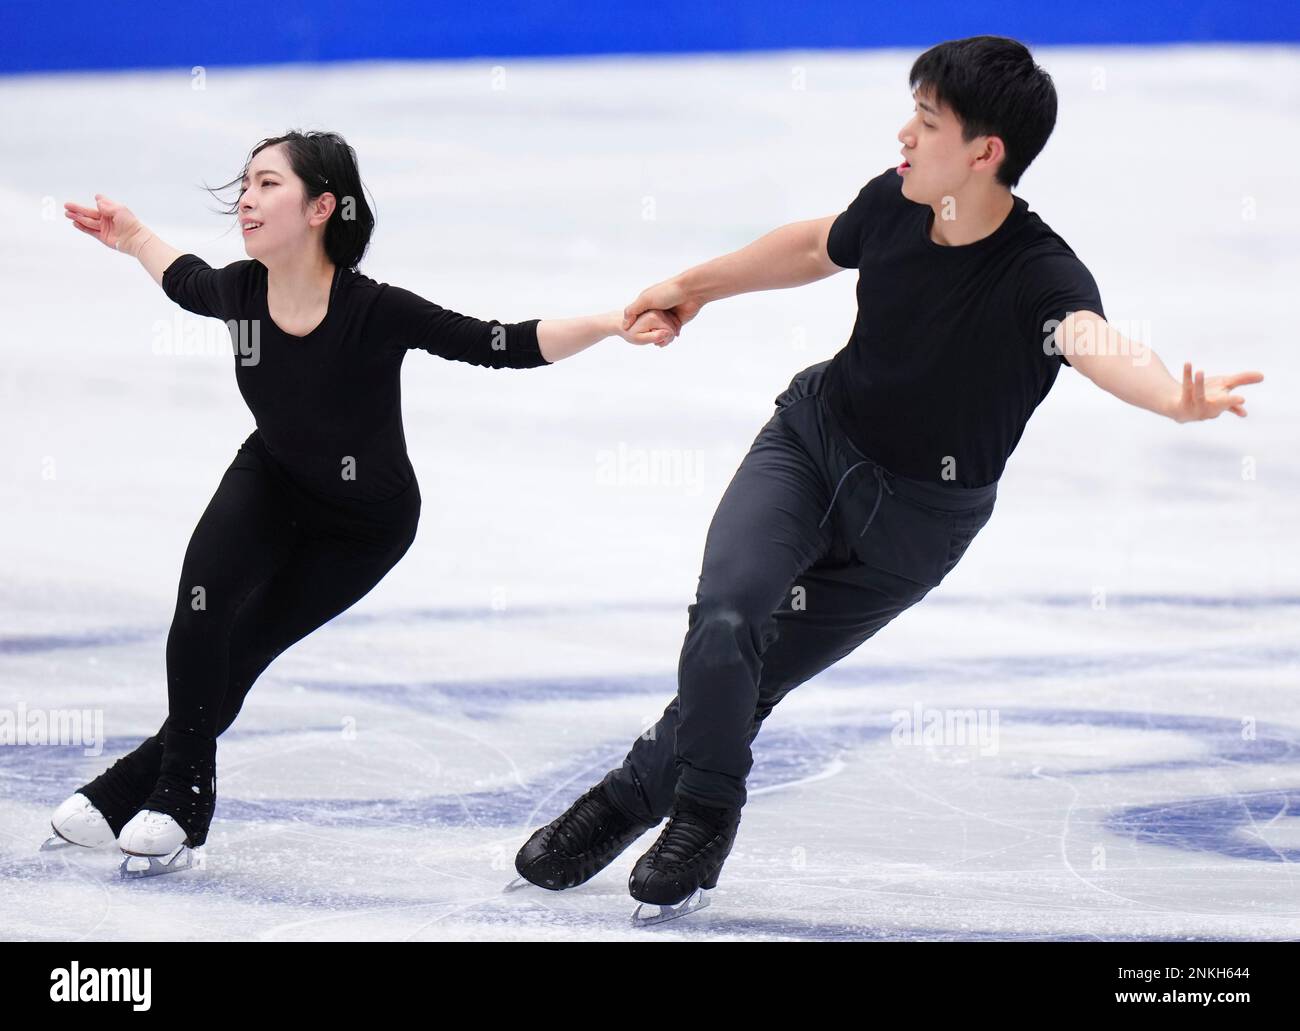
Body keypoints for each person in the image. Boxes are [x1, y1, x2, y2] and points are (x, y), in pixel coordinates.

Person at [512, 35, 1264, 920]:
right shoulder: (895, 202)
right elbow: (813, 245)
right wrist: (695, 284)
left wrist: (1173, 399)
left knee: (751, 676)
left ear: (986, 153)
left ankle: (625, 799)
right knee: (724, 620)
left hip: (912, 528)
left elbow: (1095, 343)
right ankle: (708, 813)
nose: (904, 133)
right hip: (811, 445)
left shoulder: (1041, 276)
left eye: (928, 120)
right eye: (913, 111)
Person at [46, 129, 680, 875]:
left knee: (244, 647)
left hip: (363, 525)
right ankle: (182, 794)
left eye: (268, 184)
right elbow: (180, 276)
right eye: (245, 184)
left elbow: (499, 341)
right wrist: (130, 236)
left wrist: (612, 323)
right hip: (274, 476)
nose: (246, 198)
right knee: (200, 608)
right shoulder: (240, 291)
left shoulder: (374, 310)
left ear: (321, 208)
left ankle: (138, 785)